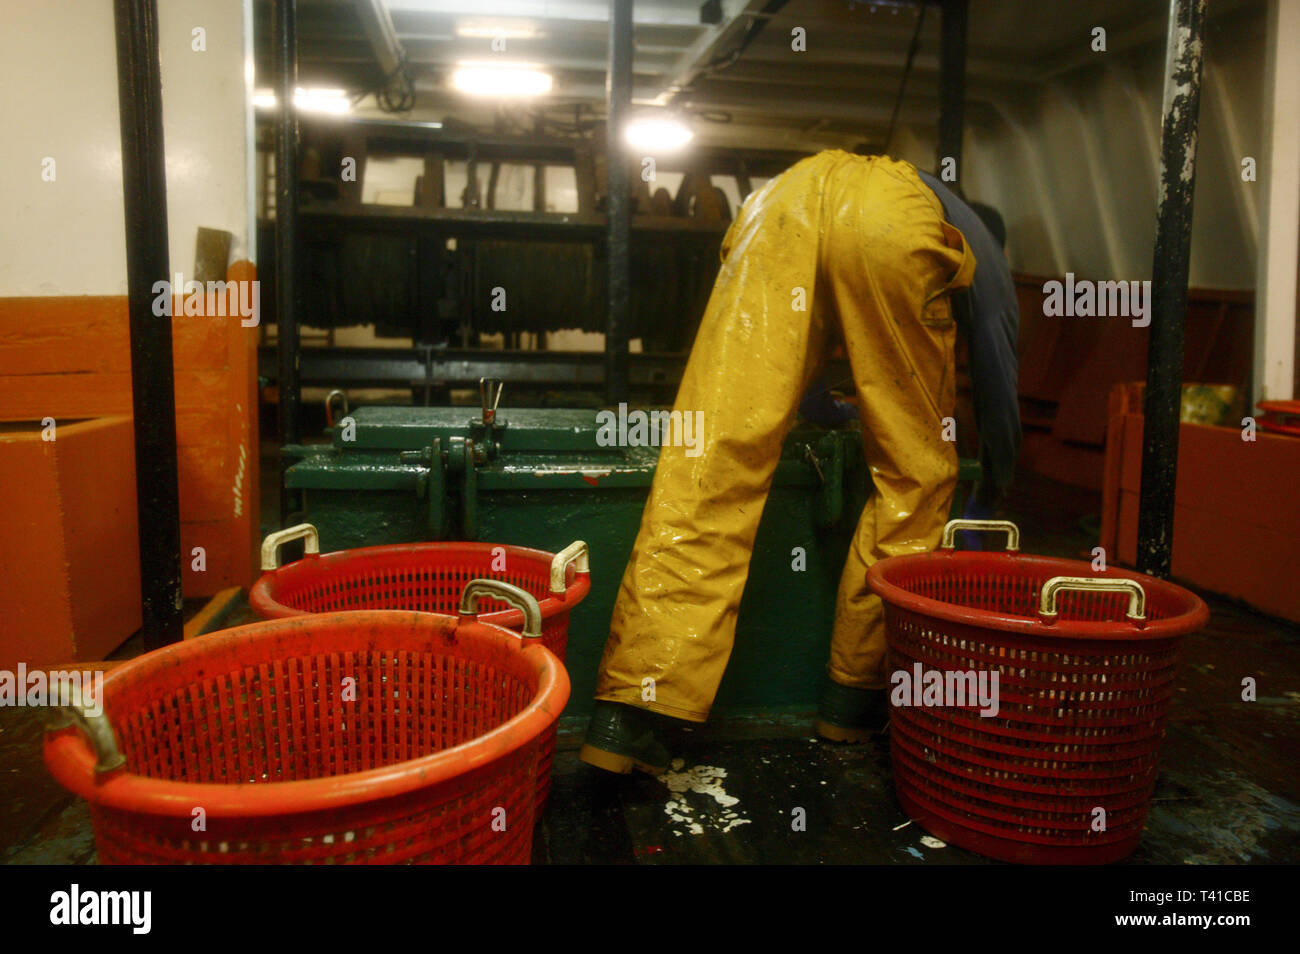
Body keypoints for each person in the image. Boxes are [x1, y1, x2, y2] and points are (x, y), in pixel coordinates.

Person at [579, 150, 1020, 775]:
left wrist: (820, 406)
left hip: (776, 207)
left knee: (712, 456)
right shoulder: (982, 246)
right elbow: (999, 370)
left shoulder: (807, 188)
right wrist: (999, 472)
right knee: (913, 474)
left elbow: (800, 339)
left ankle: (630, 719)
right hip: (888, 223)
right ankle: (852, 702)